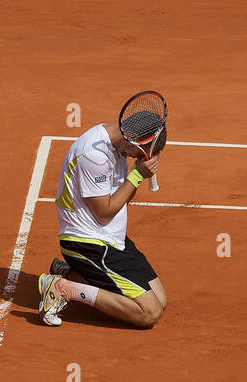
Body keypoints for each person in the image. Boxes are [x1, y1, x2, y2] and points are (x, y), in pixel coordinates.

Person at [38, 107, 169, 328]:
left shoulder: (118, 143)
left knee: (161, 300)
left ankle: (75, 274)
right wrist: (137, 175)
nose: (142, 157)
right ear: (134, 138)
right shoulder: (94, 155)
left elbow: (121, 197)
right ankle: (63, 288)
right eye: (143, 151)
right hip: (88, 243)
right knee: (149, 313)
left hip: (112, 238)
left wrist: (138, 171)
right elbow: (104, 212)